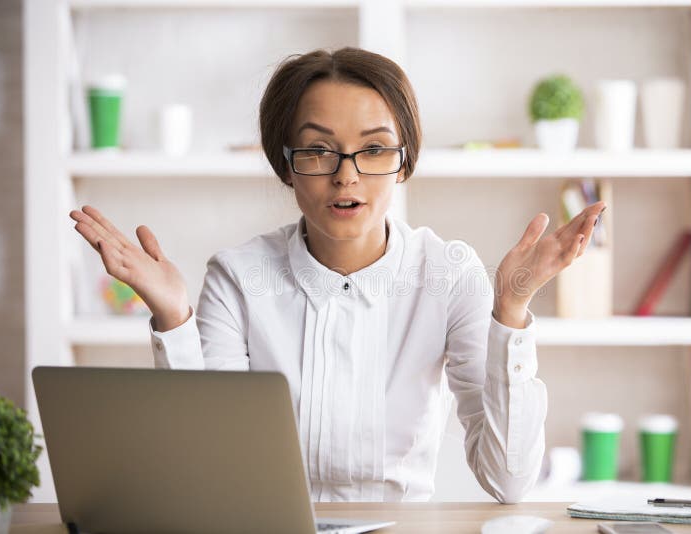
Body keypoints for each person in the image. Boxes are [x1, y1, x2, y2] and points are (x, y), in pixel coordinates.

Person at [69, 47, 606, 504]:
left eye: (373, 149)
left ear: (403, 161)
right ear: (286, 164)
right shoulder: (238, 277)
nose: (346, 174)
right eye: (319, 149)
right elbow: (204, 469)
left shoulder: (449, 274)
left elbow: (509, 482)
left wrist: (511, 312)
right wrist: (173, 318)